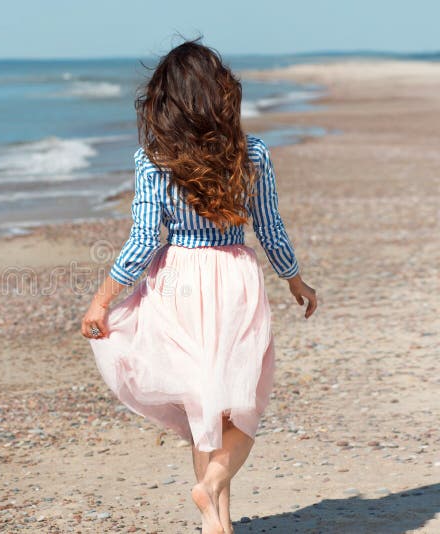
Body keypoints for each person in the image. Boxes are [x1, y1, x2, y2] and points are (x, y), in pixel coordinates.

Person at [80, 37, 318, 534]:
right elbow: (269, 228)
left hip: (177, 279)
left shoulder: (154, 160)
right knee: (244, 404)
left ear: (166, 102)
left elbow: (144, 240)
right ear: (220, 94)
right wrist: (296, 280)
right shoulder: (250, 154)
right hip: (233, 278)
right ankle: (212, 495)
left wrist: (102, 301)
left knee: (203, 407)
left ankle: (216, 518)